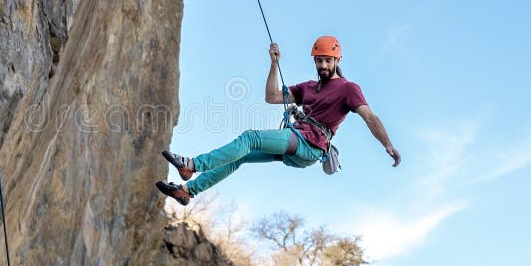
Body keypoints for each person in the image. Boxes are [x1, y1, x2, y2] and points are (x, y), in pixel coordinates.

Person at [156, 36, 401, 205]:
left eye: (328, 60)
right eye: (319, 60)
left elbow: (370, 117)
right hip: (296, 143)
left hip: (309, 145)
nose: (323, 65)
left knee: (250, 138)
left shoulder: (348, 88)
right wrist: (274, 64)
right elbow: (272, 96)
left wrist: (387, 144)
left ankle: (193, 164)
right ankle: (187, 191)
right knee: (239, 156)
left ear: (337, 61)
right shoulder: (308, 87)